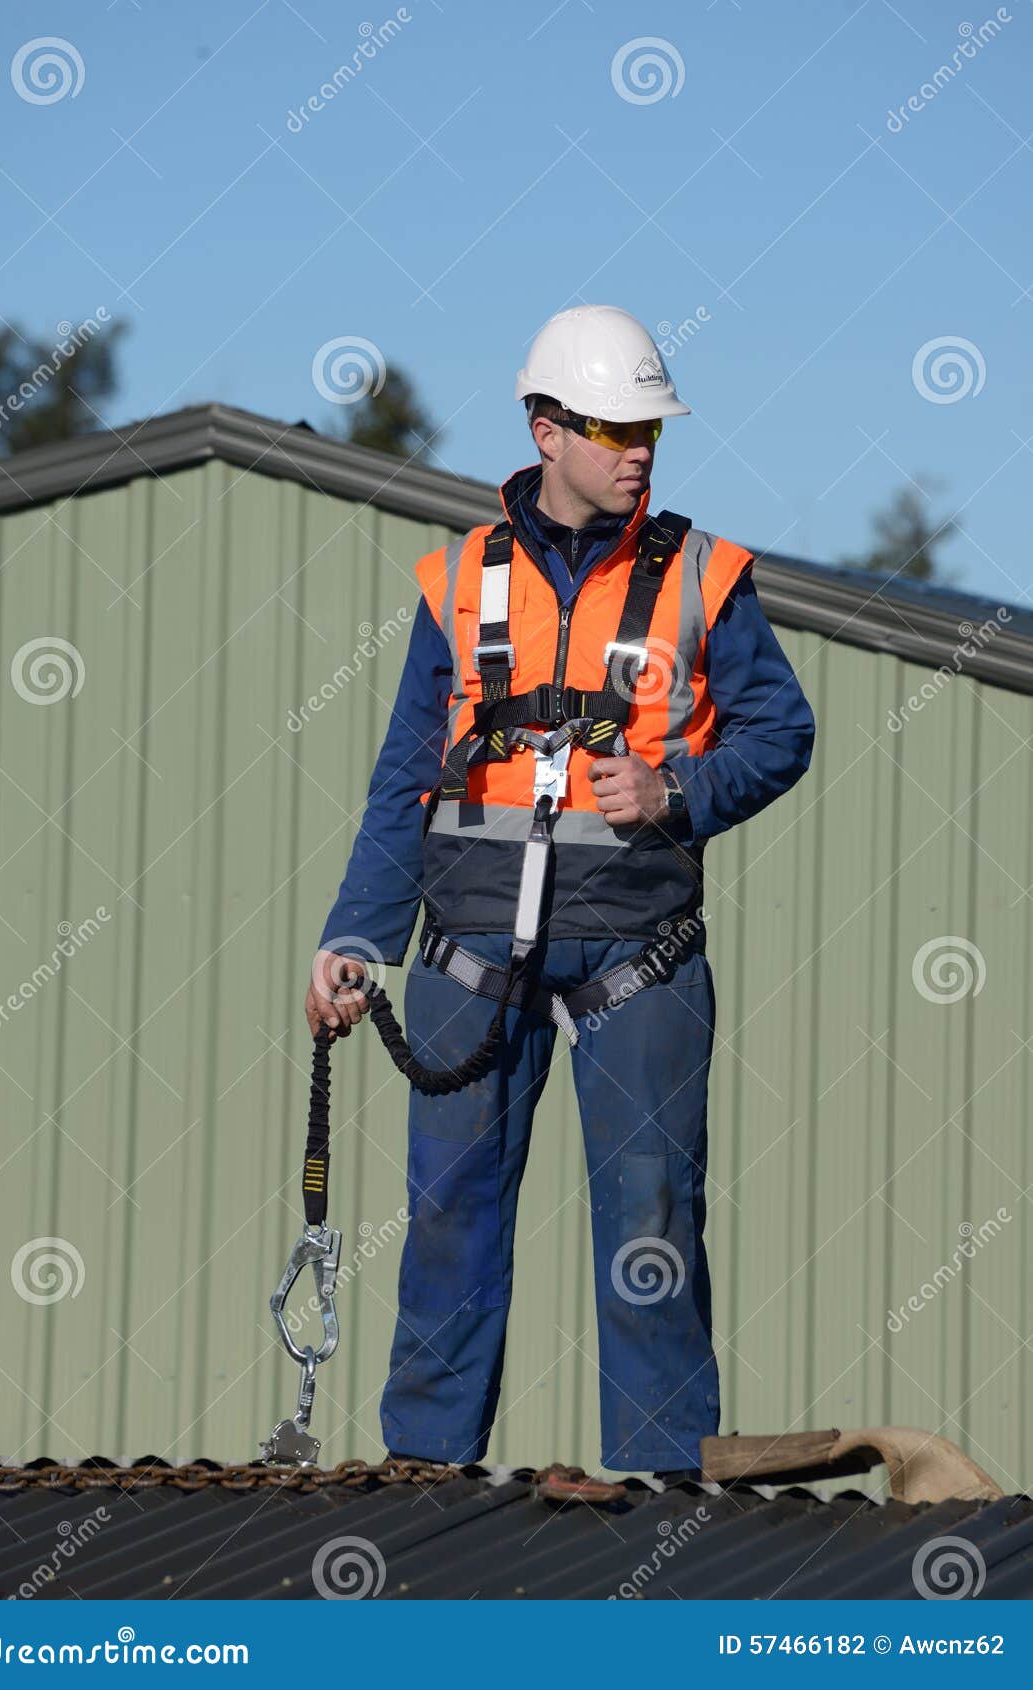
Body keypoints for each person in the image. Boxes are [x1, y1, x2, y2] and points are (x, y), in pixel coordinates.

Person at [306, 304, 815, 1483]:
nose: (639, 449)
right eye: (613, 427)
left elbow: (781, 733)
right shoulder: (460, 580)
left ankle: (659, 1490)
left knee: (651, 1222)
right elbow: (405, 778)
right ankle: (423, 1480)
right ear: (546, 428)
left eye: (651, 428)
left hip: (641, 954)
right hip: (467, 955)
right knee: (446, 1212)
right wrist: (356, 937)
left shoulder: (704, 575)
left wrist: (678, 789)